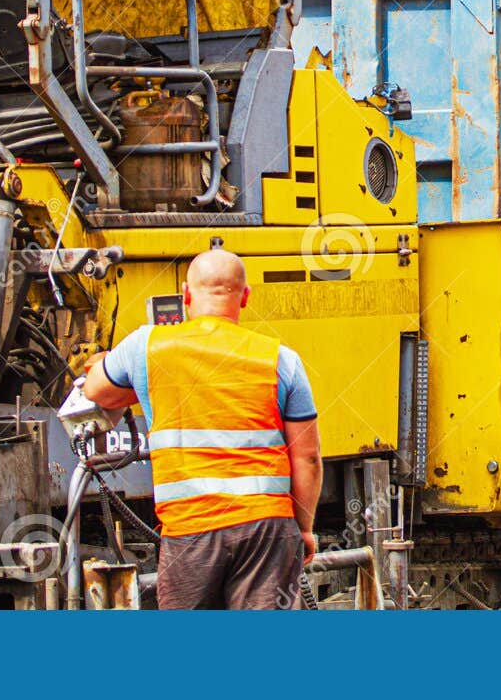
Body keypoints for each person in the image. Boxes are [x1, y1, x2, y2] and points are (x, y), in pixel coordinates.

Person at [82, 249, 322, 609]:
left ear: (186, 295)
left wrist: (130, 376)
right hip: (266, 529)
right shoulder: (281, 359)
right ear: (245, 297)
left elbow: (95, 391)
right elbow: (308, 457)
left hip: (190, 529)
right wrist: (303, 528)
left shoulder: (146, 347)